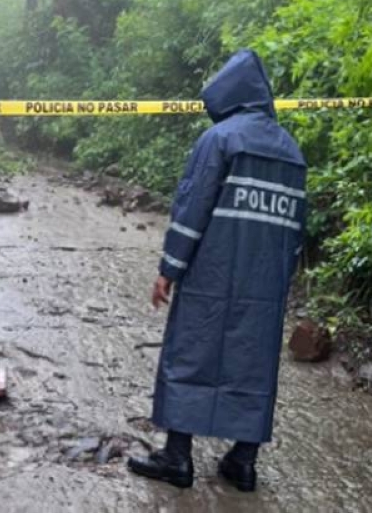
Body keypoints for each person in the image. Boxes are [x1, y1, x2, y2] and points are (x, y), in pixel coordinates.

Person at [127, 49, 307, 491]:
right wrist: (282, 280)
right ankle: (243, 461)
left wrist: (169, 268)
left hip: (212, 272)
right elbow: (297, 231)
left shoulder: (220, 139)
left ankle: (177, 457)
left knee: (191, 351)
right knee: (254, 363)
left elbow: (193, 207)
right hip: (265, 284)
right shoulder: (291, 151)